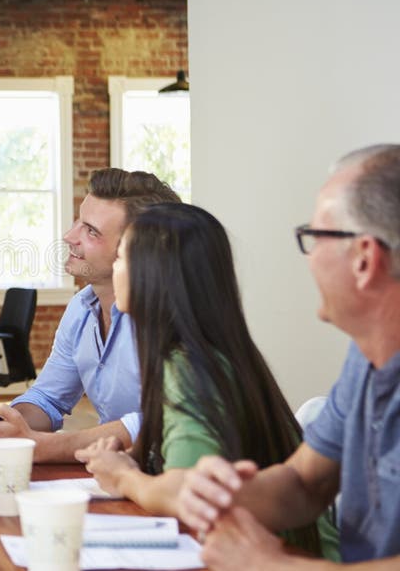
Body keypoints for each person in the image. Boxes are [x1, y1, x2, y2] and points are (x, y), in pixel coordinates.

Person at [175, 144, 400, 569]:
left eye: (315, 238)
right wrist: (221, 497)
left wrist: (275, 565)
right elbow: (303, 482)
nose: (309, 257)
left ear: (365, 259)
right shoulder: (363, 359)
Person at [74, 203, 336, 559]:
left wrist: (124, 478)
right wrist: (133, 461)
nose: (116, 268)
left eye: (121, 258)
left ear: (153, 274)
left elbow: (185, 489)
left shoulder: (188, 366)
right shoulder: (209, 354)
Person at [0, 168, 179, 460]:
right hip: (120, 469)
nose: (68, 236)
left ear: (138, 251)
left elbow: (159, 421)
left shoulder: (169, 317)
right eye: (79, 220)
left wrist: (44, 446)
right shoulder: (82, 308)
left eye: (91, 231)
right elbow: (48, 397)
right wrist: (5, 424)